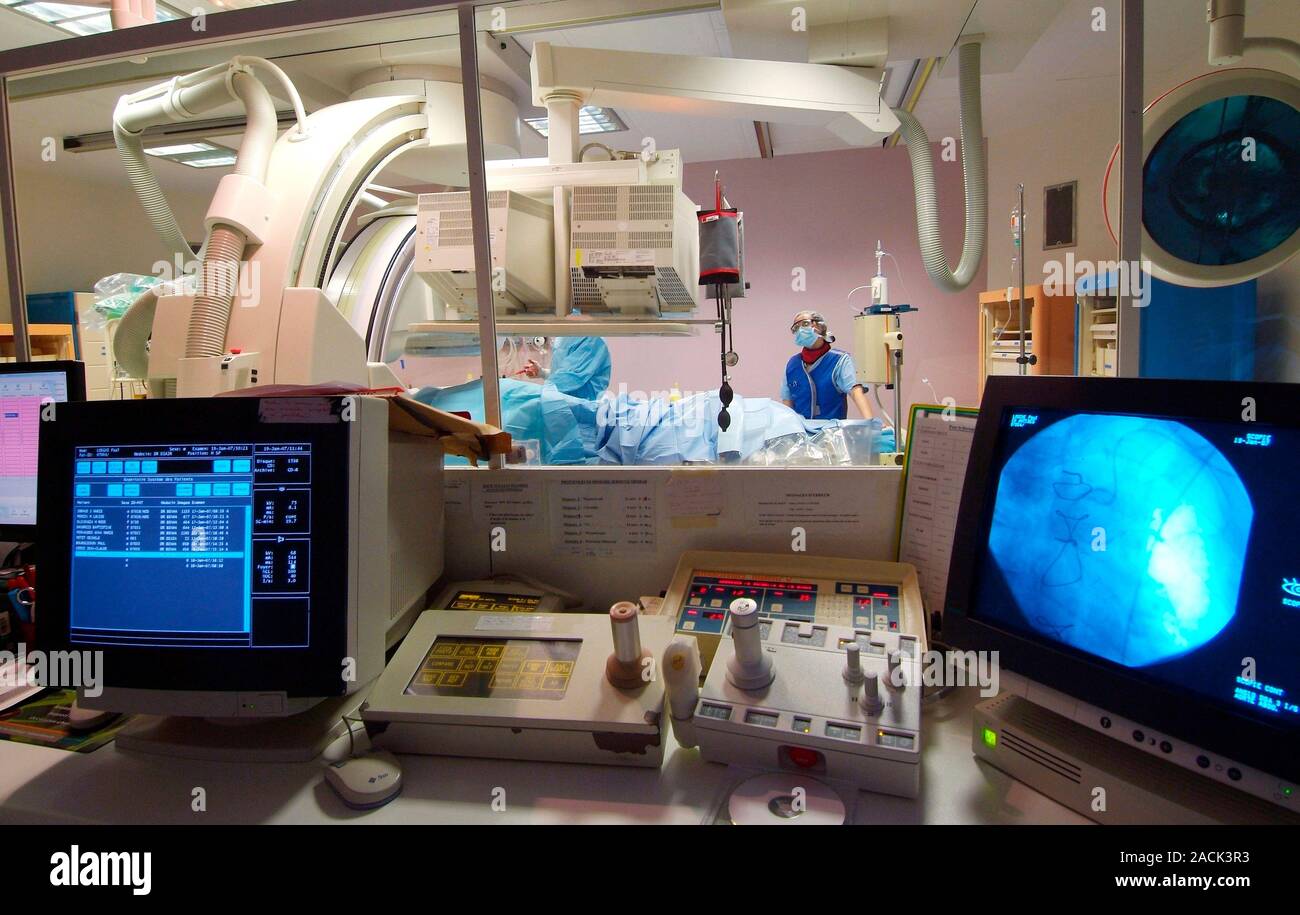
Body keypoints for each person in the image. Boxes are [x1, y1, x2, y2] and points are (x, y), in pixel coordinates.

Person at [780, 310, 873, 420]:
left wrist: (870, 421)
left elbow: (856, 391)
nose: (800, 330)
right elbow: (787, 403)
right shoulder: (792, 364)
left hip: (832, 432)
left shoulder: (839, 360)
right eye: (796, 328)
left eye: (805, 324)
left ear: (820, 326)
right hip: (802, 432)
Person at [518, 335, 611, 400]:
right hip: (565, 406)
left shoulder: (589, 338)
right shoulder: (564, 336)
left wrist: (534, 395)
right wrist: (542, 373)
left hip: (581, 411)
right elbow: (564, 370)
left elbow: (571, 378)